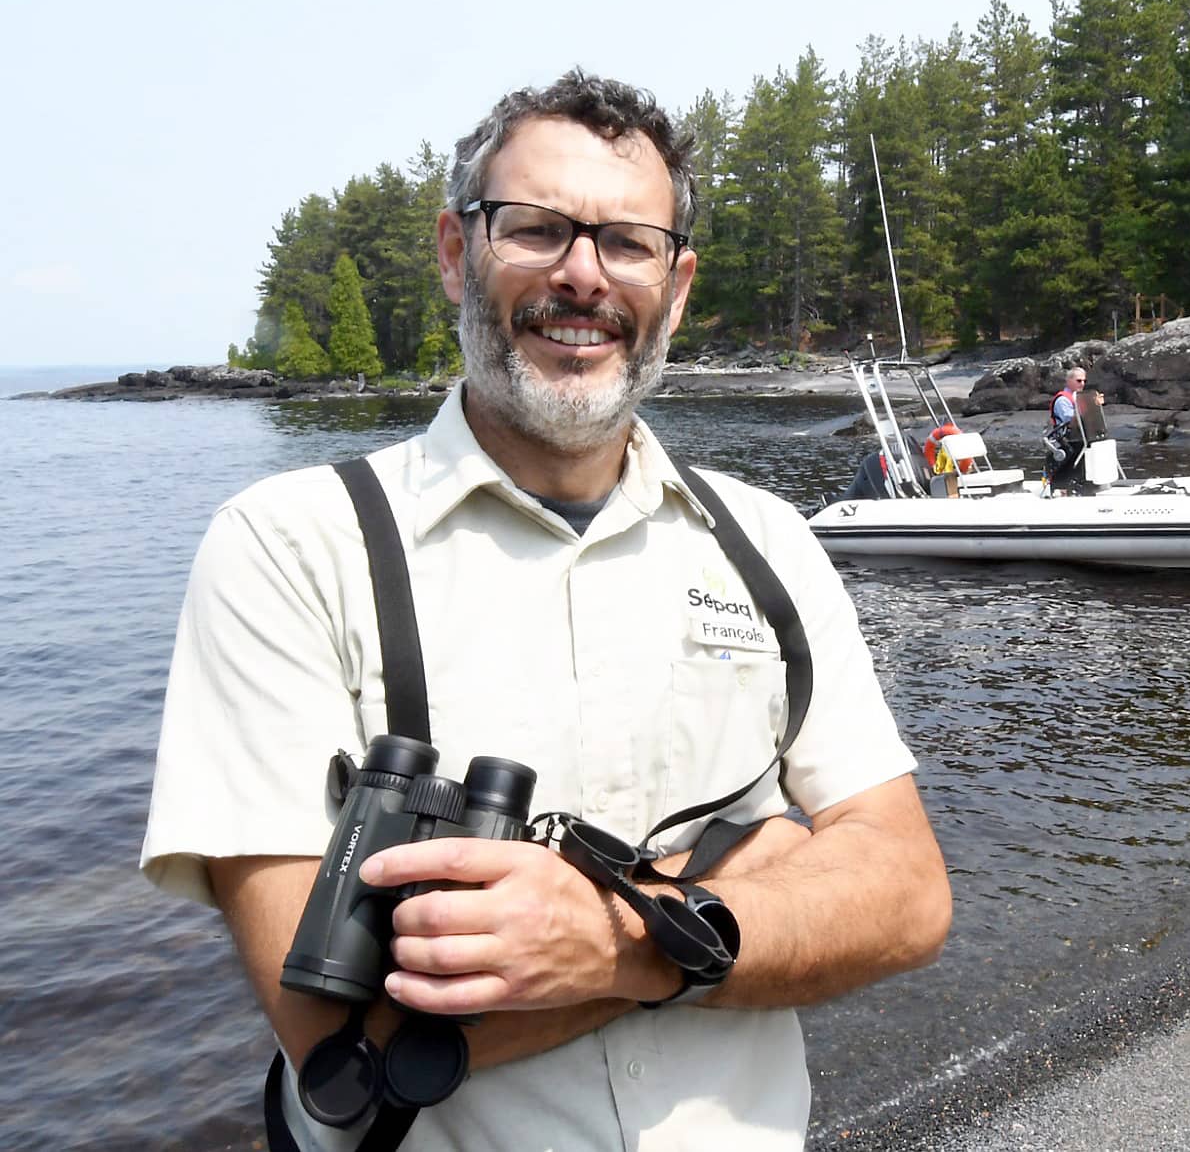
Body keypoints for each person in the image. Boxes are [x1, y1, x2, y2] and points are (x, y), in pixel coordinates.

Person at [139, 70, 951, 1151]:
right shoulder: (290, 546)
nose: (582, 275)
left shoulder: (769, 543)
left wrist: (612, 937)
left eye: (627, 241)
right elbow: (338, 1052)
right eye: (536, 228)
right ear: (452, 249)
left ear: (679, 281)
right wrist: (724, 892)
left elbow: (907, 893)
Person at [1043, 366, 1105, 492]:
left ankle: (1091, 483)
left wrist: (1095, 406)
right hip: (1067, 442)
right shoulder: (1063, 400)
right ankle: (1070, 487)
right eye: (1079, 381)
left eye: (1084, 381)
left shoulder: (1079, 398)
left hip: (1081, 439)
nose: (1082, 384)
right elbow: (1071, 421)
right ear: (1069, 381)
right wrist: (1091, 406)